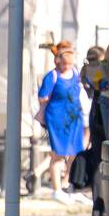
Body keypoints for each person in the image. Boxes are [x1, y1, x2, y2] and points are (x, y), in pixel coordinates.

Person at [35, 41, 89, 205]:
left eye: (69, 63)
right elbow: (42, 96)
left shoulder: (74, 72)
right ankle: (57, 189)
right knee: (58, 154)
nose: (67, 66)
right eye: (64, 63)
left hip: (74, 117)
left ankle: (67, 184)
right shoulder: (52, 76)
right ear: (58, 61)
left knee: (75, 151)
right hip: (57, 119)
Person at [79, 45, 109, 216]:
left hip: (94, 113)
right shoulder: (105, 67)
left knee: (97, 161)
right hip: (106, 113)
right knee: (107, 161)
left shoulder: (86, 70)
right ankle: (105, 207)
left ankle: (97, 210)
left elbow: (90, 91)